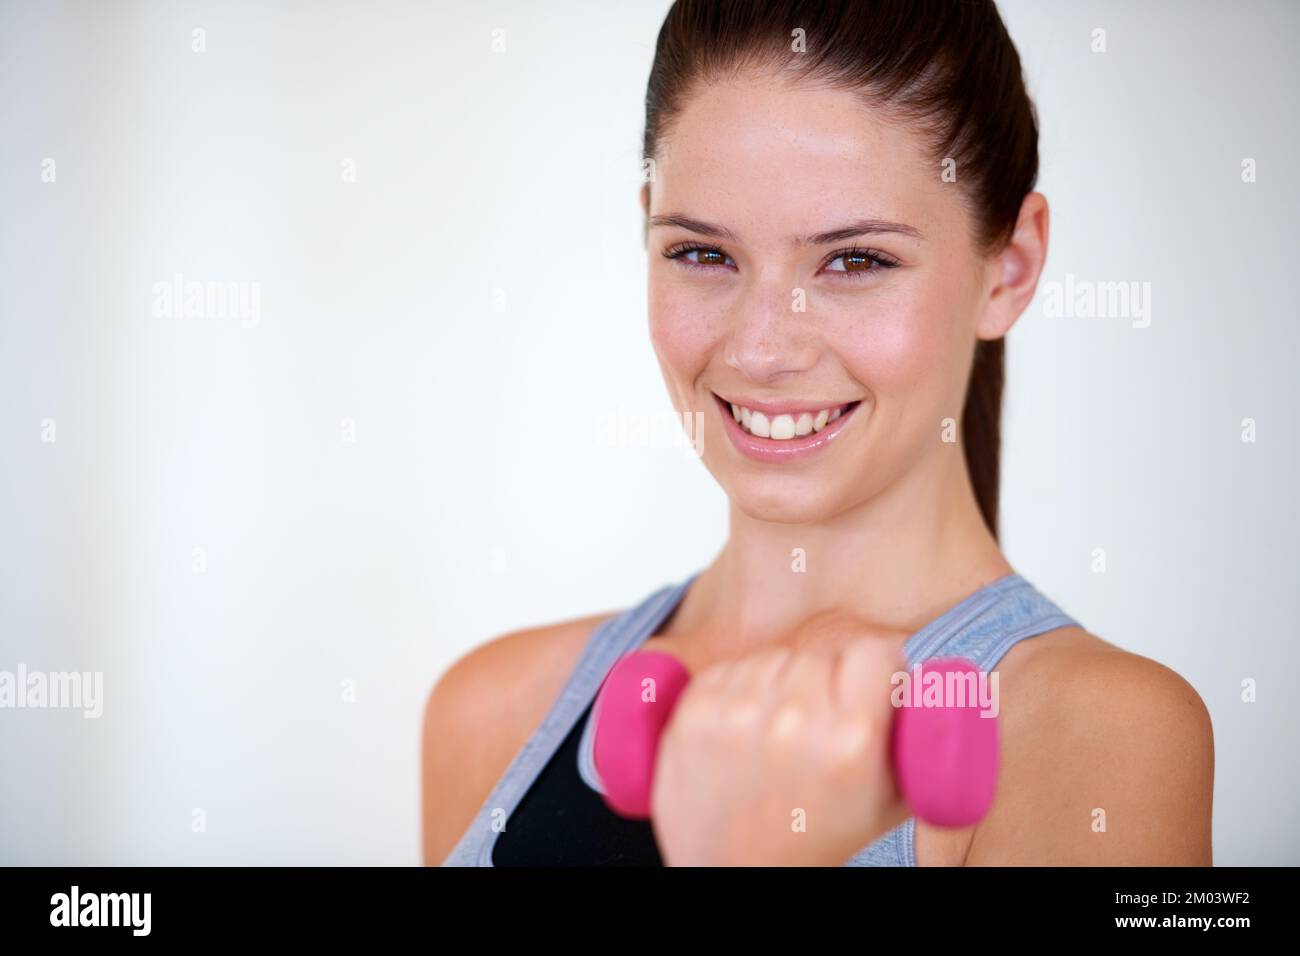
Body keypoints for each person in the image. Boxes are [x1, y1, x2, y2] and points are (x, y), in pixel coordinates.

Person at [424, 0, 1214, 866]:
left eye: (856, 261)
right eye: (702, 253)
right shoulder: (493, 707)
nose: (762, 349)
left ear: (1010, 268)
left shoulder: (1099, 735)